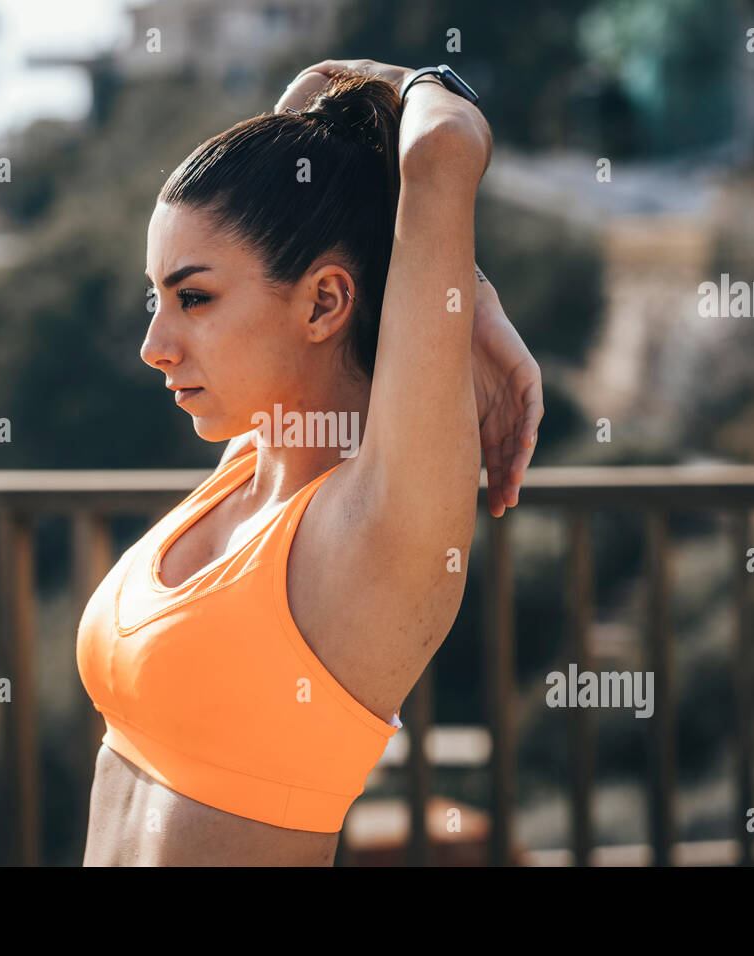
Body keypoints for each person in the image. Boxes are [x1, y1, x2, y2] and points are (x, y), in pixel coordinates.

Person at [77, 59, 543, 866]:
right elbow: (303, 150)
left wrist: (396, 75)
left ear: (326, 302)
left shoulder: (377, 526)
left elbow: (440, 149)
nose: (154, 346)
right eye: (157, 297)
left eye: (194, 298)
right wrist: (470, 289)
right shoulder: (253, 463)